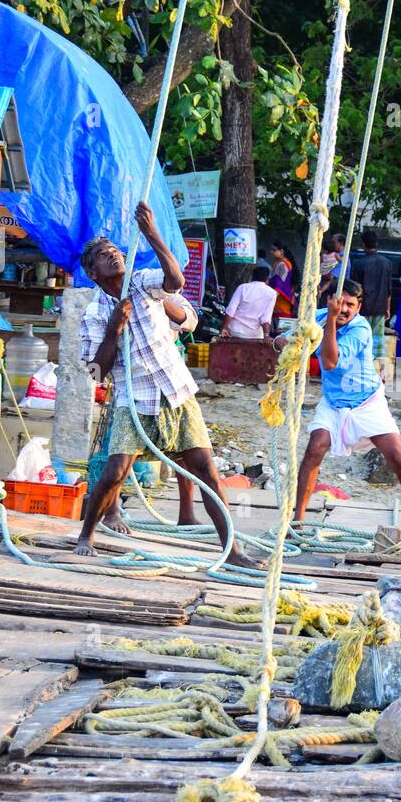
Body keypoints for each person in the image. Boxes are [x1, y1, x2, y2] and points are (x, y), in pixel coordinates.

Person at [74, 202, 261, 569]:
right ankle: (86, 535)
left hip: (176, 391)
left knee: (206, 469)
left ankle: (233, 551)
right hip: (134, 398)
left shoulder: (143, 282)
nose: (112, 254)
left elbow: (174, 281)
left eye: (114, 250)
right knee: (115, 472)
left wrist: (151, 233)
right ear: (92, 272)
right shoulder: (94, 313)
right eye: (102, 255)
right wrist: (114, 327)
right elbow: (97, 372)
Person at [279, 281, 401, 549]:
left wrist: (332, 322)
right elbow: (290, 336)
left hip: (367, 402)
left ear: (359, 307)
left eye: (350, 305)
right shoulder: (322, 317)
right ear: (332, 301)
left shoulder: (360, 328)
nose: (344, 309)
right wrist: (283, 343)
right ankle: (297, 522)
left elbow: (331, 361)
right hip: (334, 402)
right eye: (340, 303)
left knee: (397, 458)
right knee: (315, 447)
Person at [350, 229, 392, 360]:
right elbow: (388, 289)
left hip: (363, 308)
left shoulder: (358, 263)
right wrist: (387, 308)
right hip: (380, 308)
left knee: (361, 340)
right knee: (377, 344)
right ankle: (378, 372)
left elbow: (354, 290)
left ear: (363, 245)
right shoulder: (386, 263)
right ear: (377, 244)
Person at [220, 264, 276, 340]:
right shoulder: (271, 293)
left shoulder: (242, 287)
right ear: (267, 279)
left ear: (252, 277)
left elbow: (231, 310)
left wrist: (224, 327)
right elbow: (266, 317)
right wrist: (266, 335)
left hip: (235, 331)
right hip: (255, 335)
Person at [267, 239, 298, 319]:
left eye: (274, 250)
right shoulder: (279, 263)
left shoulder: (283, 264)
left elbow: (279, 286)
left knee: (280, 329)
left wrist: (269, 301)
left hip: (281, 303)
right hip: (278, 302)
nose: (271, 252)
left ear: (281, 251)